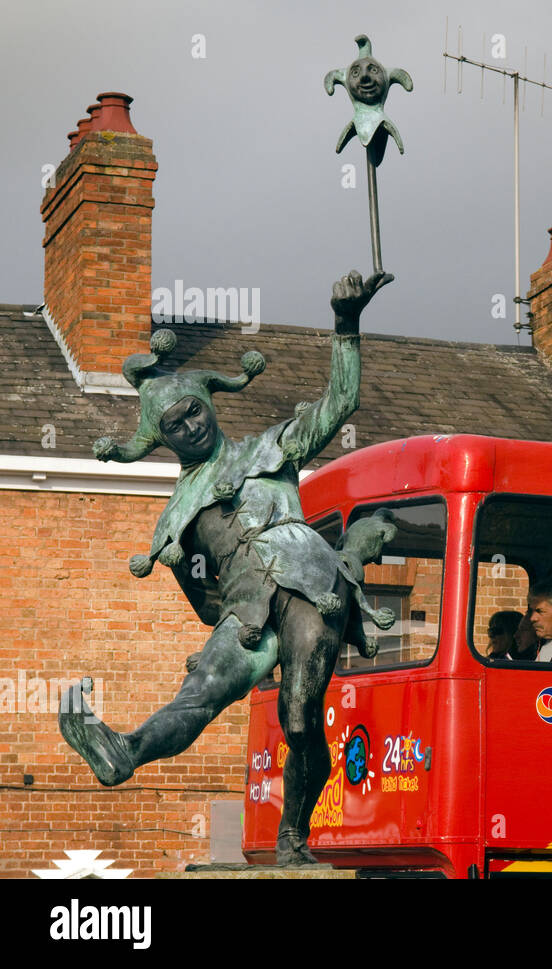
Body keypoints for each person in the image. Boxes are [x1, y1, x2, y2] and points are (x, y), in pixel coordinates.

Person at [59, 269, 394, 867]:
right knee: (200, 692)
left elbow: (341, 403)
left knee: (298, 716)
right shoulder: (175, 521)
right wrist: (219, 631)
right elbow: (204, 601)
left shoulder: (271, 449)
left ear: (209, 403)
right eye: (174, 426)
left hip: (312, 588)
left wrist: (346, 325)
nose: (190, 428)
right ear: (160, 438)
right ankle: (124, 749)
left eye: (193, 412)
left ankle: (293, 836)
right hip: (245, 614)